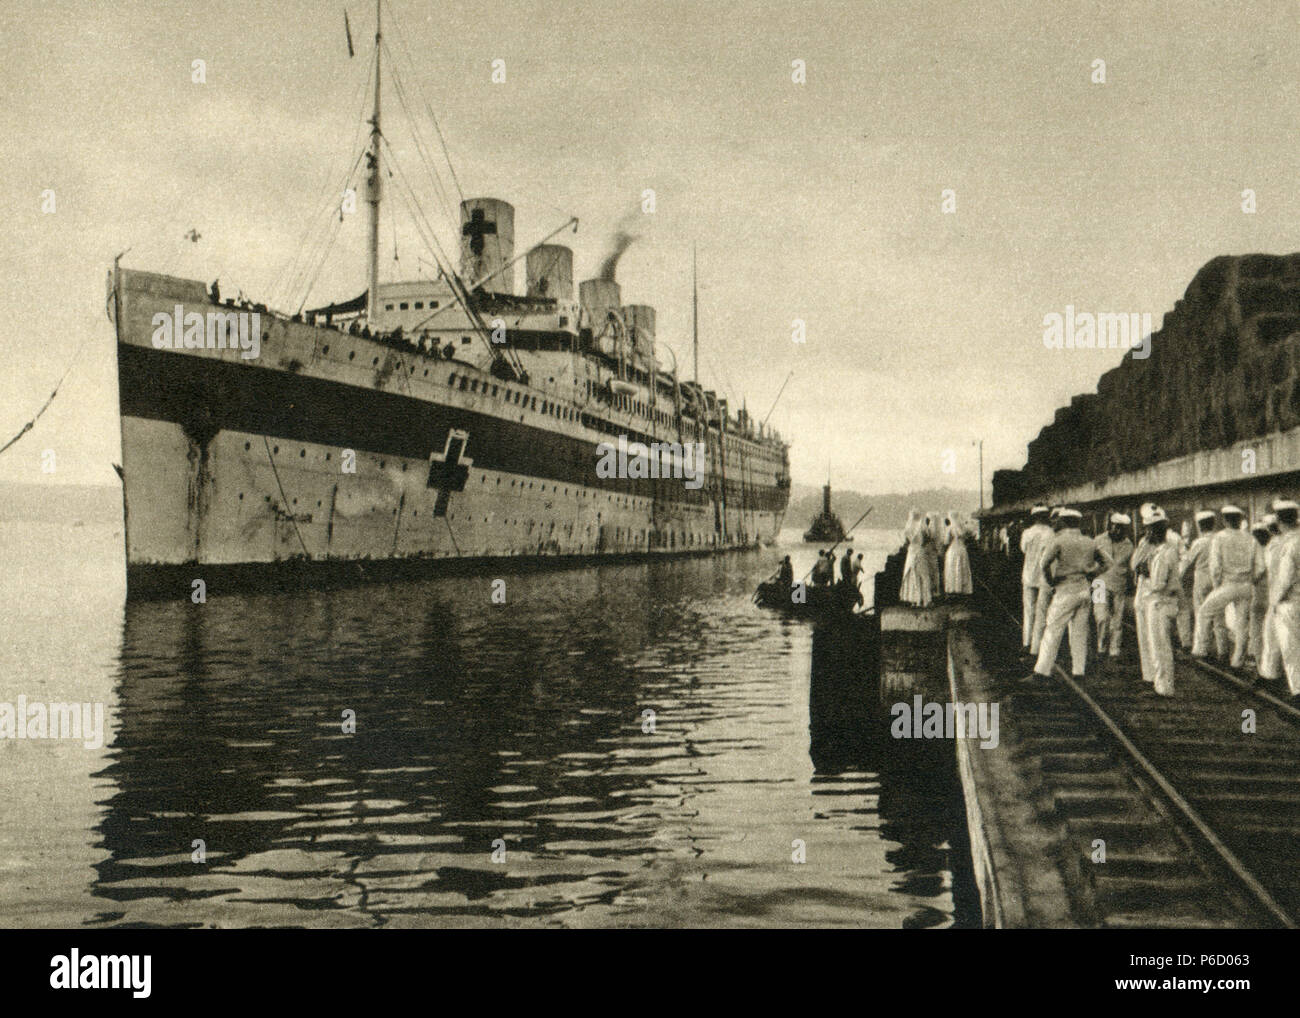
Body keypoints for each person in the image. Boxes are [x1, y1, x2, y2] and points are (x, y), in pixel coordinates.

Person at [1030, 508, 1112, 681]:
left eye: (1059, 520)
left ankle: (1041, 671)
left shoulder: (1059, 540)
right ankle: (1078, 671)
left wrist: (1050, 580)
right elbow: (1108, 562)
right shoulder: (1089, 542)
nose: (1057, 522)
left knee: (1053, 629)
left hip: (1065, 589)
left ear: (1064, 521)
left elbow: (1044, 563)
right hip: (1084, 589)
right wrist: (1093, 574)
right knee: (1080, 632)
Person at [1193, 505, 1262, 669]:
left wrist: (1217, 586)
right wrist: (1251, 580)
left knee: (1204, 611)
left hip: (1228, 584)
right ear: (1240, 520)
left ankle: (1200, 650)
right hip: (1246, 586)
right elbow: (1260, 566)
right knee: (1241, 625)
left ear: (1224, 520)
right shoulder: (1251, 538)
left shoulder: (1220, 537)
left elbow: (1215, 566)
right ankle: (1237, 662)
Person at [1144, 509, 1182, 696]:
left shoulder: (1162, 554)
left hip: (1160, 603)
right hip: (1167, 603)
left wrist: (1145, 579)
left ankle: (1164, 688)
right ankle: (1163, 685)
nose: (1146, 534)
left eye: (1147, 530)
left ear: (1153, 532)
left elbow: (1158, 584)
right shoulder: (1169, 551)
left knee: (1159, 647)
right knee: (1163, 646)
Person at [1269, 500, 1300, 698]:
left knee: (1292, 649)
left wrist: (1274, 602)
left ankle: (1298, 691)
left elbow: (1285, 578)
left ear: (1279, 521)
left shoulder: (1289, 544)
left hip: (1291, 602)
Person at [1092, 513, 1133, 659]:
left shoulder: (1129, 545)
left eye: (1122, 529)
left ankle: (1114, 650)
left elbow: (1129, 566)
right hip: (1099, 583)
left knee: (1117, 619)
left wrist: (1130, 582)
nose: (1118, 531)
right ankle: (1101, 647)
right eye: (1116, 528)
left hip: (1119, 584)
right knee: (1101, 616)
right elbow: (1090, 560)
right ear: (1111, 526)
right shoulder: (1098, 540)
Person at [1130, 502, 1161, 684]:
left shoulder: (1152, 542)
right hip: (1144, 591)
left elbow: (1135, 564)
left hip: (1153, 590)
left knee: (1153, 636)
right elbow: (1134, 565)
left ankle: (1155, 676)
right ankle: (1150, 675)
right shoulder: (1145, 542)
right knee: (1147, 635)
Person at [1020, 506, 1054, 653]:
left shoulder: (1027, 533)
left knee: (1028, 611)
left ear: (1034, 517)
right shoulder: (1050, 533)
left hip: (1028, 575)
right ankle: (1036, 647)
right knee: (1041, 612)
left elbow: (1023, 549)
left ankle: (1026, 642)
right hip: (1044, 577)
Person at [1247, 520, 1271, 666]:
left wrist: (1253, 578)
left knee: (1258, 626)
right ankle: (1257, 656)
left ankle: (1258, 657)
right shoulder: (1268, 546)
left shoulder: (1255, 547)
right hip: (1261, 592)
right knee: (1258, 626)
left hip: (1262, 590)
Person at [899, 510, 934, 607]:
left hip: (911, 552)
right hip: (920, 551)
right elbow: (928, 538)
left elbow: (906, 542)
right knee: (924, 575)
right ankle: (926, 600)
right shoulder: (922, 526)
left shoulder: (908, 528)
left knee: (912, 575)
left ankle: (914, 600)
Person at [944, 511, 973, 596]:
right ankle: (963, 588)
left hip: (953, 549)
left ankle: (953, 589)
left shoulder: (950, 528)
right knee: (962, 568)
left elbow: (946, 541)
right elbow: (970, 535)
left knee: (952, 569)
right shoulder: (963, 527)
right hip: (962, 549)